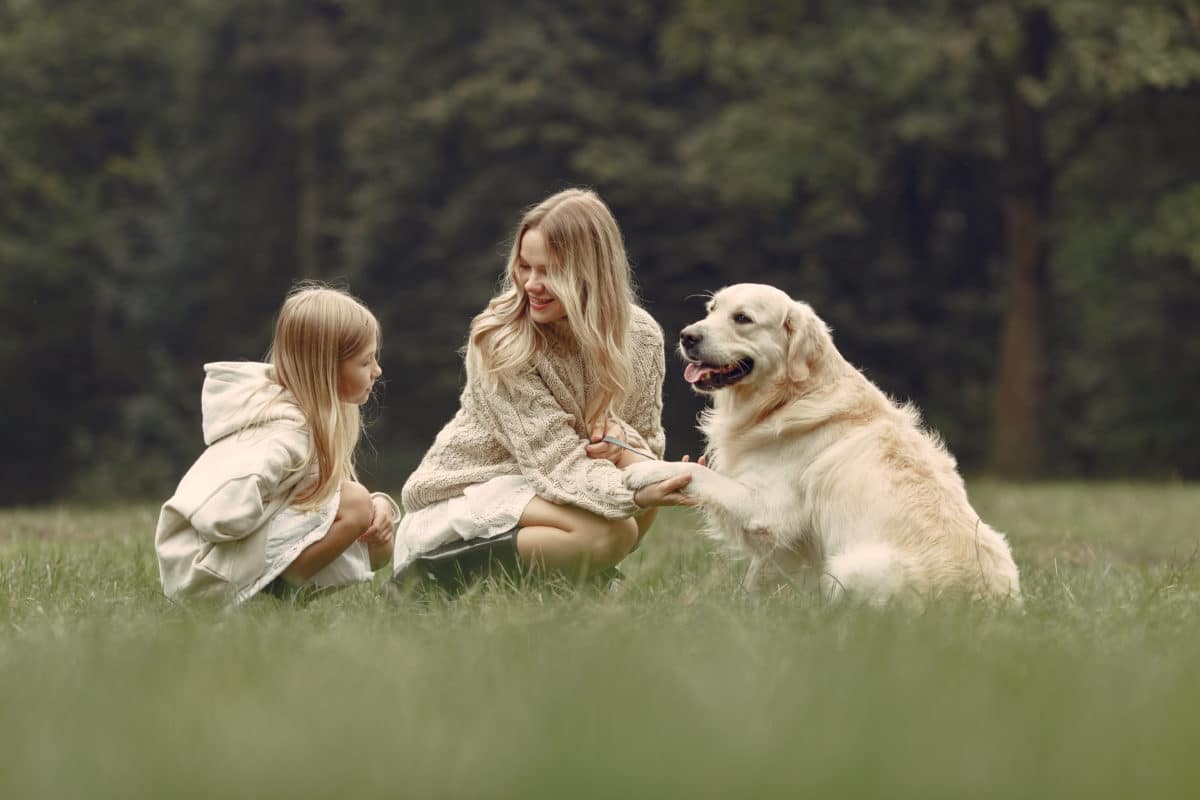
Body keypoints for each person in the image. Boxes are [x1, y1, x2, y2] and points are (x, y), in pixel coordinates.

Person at [390, 188, 692, 593]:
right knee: (614, 529)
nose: (531, 284)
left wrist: (628, 452)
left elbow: (645, 447)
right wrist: (637, 488)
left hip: (550, 493)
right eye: (525, 267)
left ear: (592, 272)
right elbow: (556, 465)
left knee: (638, 507)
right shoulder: (504, 340)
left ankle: (557, 581)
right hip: (473, 495)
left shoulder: (641, 337)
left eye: (549, 271)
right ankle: (431, 577)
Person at [155, 284, 399, 604]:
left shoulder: (313, 420)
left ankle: (273, 594)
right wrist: (242, 517)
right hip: (203, 574)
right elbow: (219, 512)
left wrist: (377, 509)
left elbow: (325, 496)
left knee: (377, 539)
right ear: (327, 367)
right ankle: (273, 601)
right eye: (366, 362)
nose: (377, 371)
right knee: (355, 504)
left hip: (224, 565)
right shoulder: (279, 434)